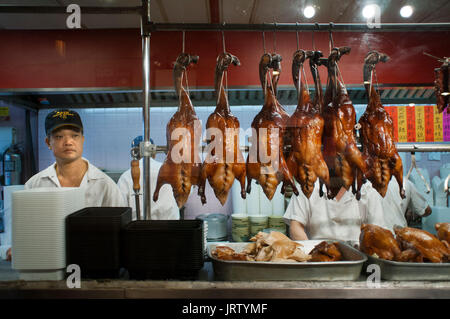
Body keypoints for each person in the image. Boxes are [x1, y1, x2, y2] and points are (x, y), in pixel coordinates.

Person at [25, 109, 125, 207]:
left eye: (75, 136)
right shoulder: (34, 185)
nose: (68, 142)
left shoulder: (105, 185)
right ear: (48, 142)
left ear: (82, 139)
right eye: (59, 136)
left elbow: (118, 223)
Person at [283, 180, 387, 243]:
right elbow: (296, 227)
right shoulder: (307, 187)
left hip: (357, 257)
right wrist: (311, 256)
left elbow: (378, 231)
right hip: (316, 257)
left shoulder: (367, 190)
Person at [117, 136, 179, 220]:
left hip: (138, 228)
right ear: (154, 153)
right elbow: (184, 195)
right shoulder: (170, 171)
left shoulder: (126, 177)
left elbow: (120, 206)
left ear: (134, 153)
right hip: (170, 225)